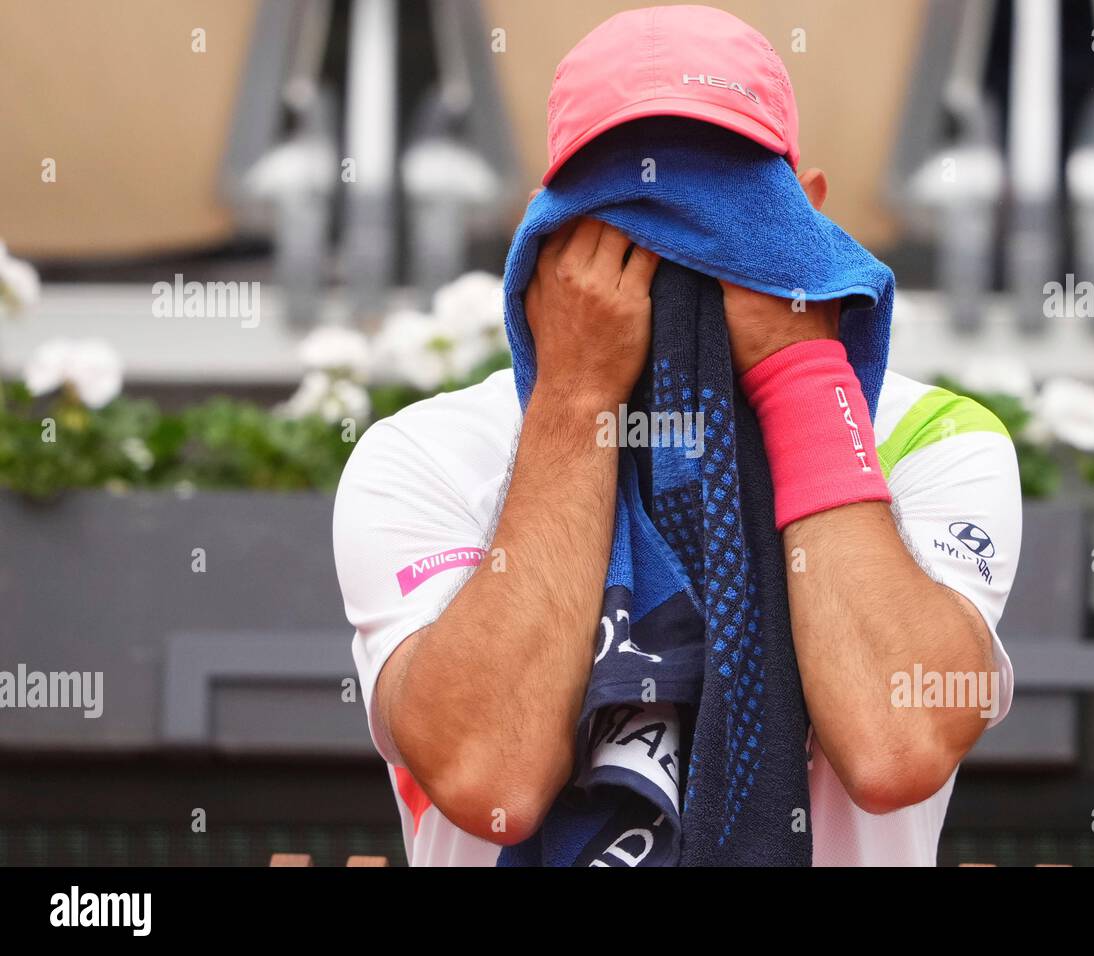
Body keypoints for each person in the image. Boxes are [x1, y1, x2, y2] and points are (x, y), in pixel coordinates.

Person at [332, 5, 1019, 866]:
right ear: (548, 241)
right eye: (630, 213)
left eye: (727, 205)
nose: (678, 245)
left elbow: (894, 748)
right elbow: (492, 779)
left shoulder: (932, 439)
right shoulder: (424, 455)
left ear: (803, 215)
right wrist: (577, 396)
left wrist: (800, 373)